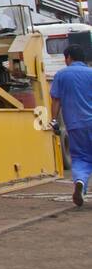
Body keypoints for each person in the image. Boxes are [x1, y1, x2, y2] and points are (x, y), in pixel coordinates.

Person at [50, 43, 92, 207]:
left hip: (75, 125)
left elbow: (56, 100)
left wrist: (54, 121)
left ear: (69, 58)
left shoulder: (61, 75)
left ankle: (80, 182)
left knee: (80, 157)